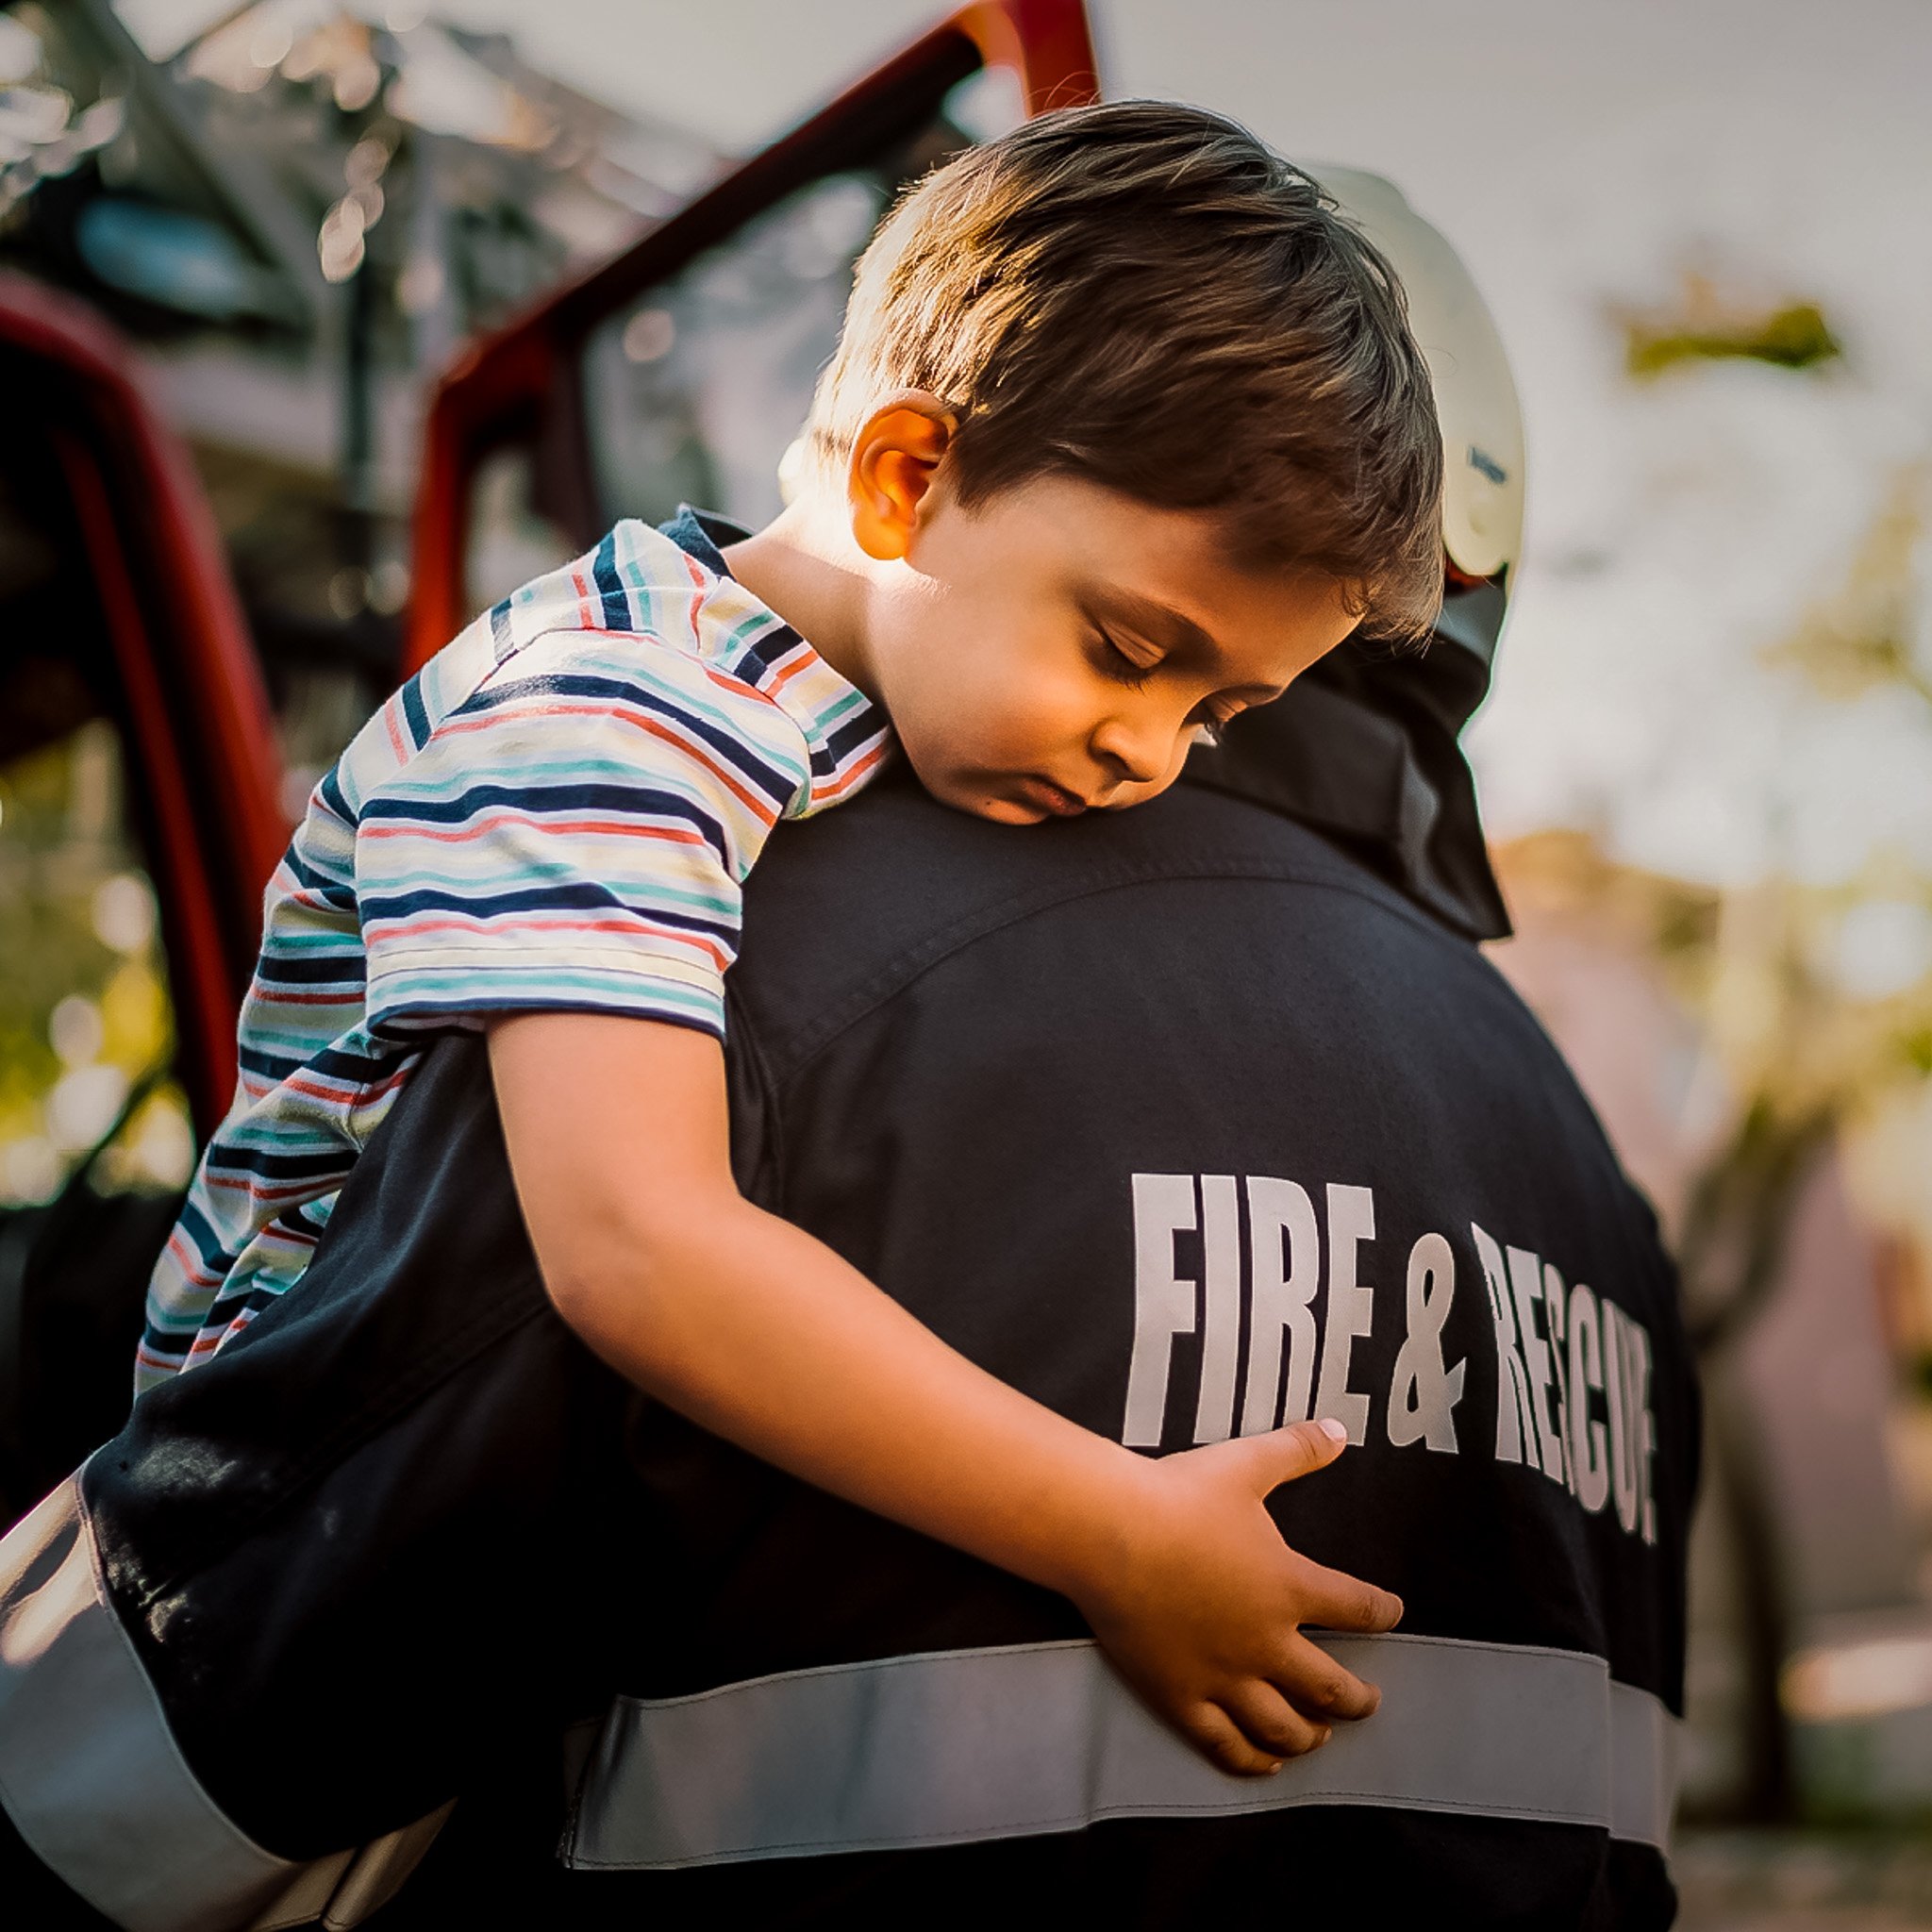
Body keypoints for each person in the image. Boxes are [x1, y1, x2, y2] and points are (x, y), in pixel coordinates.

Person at [132, 100, 1440, 1774]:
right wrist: (1114, 1527)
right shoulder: (610, 715)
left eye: (1225, 713)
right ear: (908, 480)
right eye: (1128, 649)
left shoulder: (840, 714)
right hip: (266, 1552)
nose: (1153, 754)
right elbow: (637, 1246)